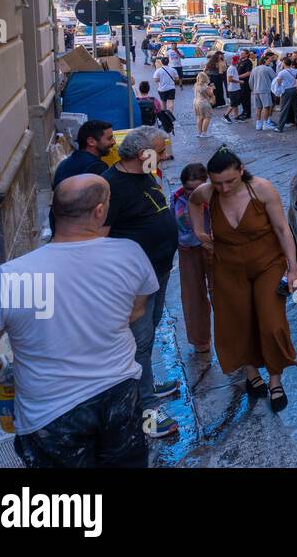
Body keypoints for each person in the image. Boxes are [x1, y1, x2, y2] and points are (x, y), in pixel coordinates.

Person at [0, 175, 157, 467]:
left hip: (50, 413)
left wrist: (1, 369)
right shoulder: (130, 254)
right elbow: (135, 311)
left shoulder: (11, 277)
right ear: (100, 211)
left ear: (55, 208)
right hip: (120, 394)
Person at [187, 148, 297, 412]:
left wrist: (293, 269)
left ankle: (275, 380)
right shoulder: (207, 192)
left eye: (229, 181)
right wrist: (200, 232)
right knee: (239, 322)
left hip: (267, 264)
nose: (224, 188)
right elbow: (192, 201)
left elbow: (283, 229)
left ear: (241, 170)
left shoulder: (262, 189)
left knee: (272, 323)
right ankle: (252, 375)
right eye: (217, 183)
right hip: (228, 267)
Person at [103, 126, 180, 438]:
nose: (165, 156)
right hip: (132, 284)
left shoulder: (146, 172)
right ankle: (145, 408)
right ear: (139, 154)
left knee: (146, 339)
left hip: (157, 273)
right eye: (159, 152)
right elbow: (100, 237)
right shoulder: (112, 187)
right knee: (139, 341)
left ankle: (145, 385)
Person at [172, 164, 212, 355]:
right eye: (189, 189)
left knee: (222, 294)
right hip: (188, 249)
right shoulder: (177, 197)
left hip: (213, 248)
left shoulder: (216, 196)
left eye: (197, 188)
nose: (193, 193)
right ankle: (200, 341)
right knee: (193, 297)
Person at [53, 120, 115, 188]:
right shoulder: (96, 167)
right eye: (110, 138)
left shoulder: (67, 162)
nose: (114, 142)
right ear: (91, 142)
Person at [272, 57, 297, 132]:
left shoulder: (282, 72)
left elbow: (278, 81)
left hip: (287, 90)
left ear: (284, 64)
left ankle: (280, 127)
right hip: (295, 89)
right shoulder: (296, 70)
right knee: (296, 108)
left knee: (284, 109)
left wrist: (279, 88)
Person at [250, 53, 276, 131]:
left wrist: (253, 89)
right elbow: (274, 79)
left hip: (256, 90)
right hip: (265, 90)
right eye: (269, 60)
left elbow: (250, 81)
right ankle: (265, 123)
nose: (270, 61)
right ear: (265, 60)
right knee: (266, 107)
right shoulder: (268, 69)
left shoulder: (254, 69)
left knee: (258, 108)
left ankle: (258, 124)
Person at [236, 50, 254, 120]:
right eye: (241, 53)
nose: (241, 54)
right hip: (240, 83)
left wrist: (238, 77)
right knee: (242, 98)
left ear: (247, 55)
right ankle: (244, 111)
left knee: (246, 99)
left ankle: (248, 114)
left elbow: (248, 73)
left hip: (245, 83)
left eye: (243, 53)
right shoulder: (240, 61)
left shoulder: (248, 62)